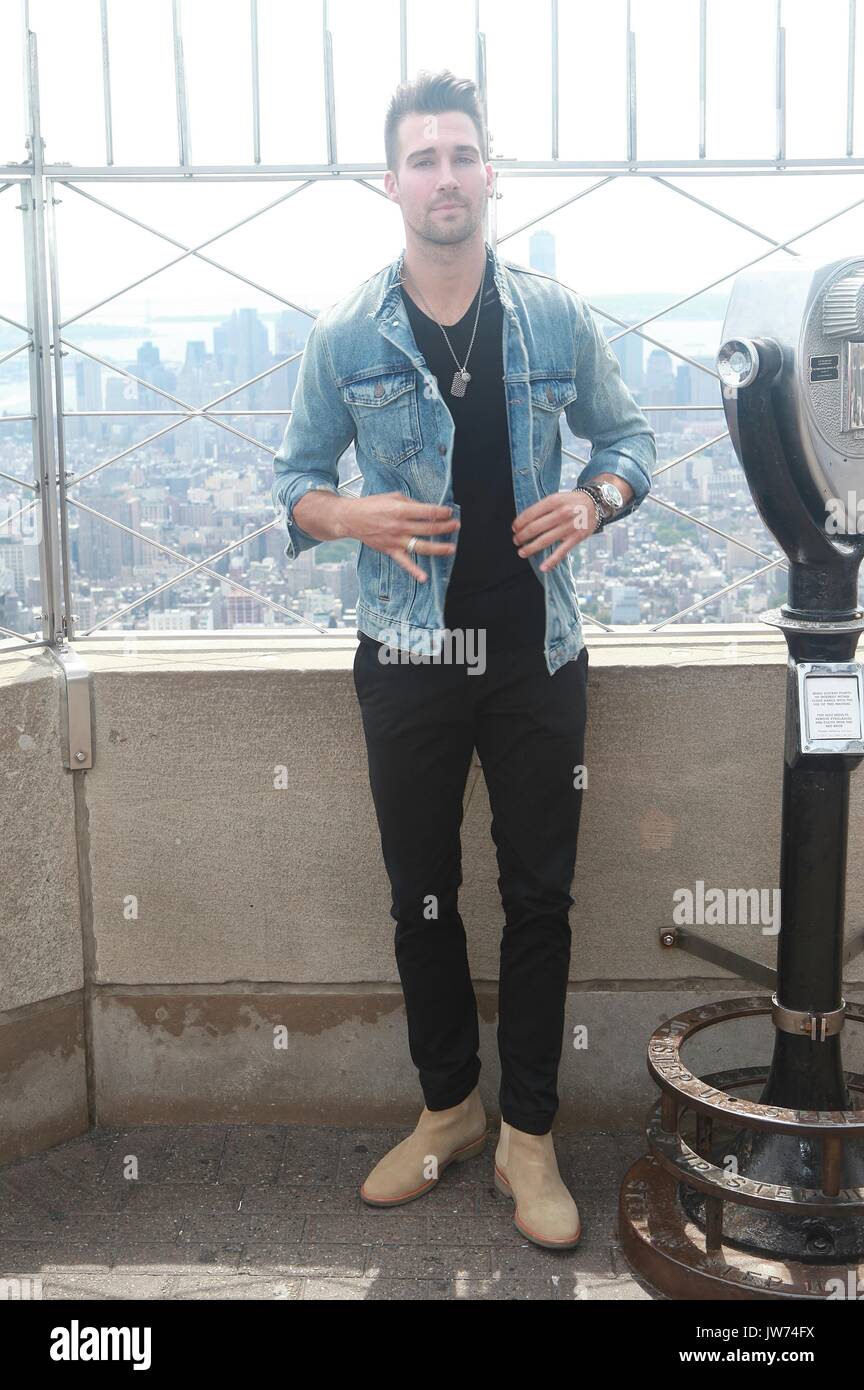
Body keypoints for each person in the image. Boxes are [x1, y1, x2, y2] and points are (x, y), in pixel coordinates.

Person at [272, 69, 656, 1250]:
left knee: (539, 895)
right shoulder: (347, 331)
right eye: (423, 158)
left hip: (536, 649)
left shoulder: (554, 314)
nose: (445, 176)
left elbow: (633, 440)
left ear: (491, 174)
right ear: (391, 184)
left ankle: (528, 1138)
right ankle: (451, 1108)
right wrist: (358, 518)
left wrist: (597, 497)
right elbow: (292, 487)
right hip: (409, 647)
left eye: (462, 154)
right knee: (420, 894)